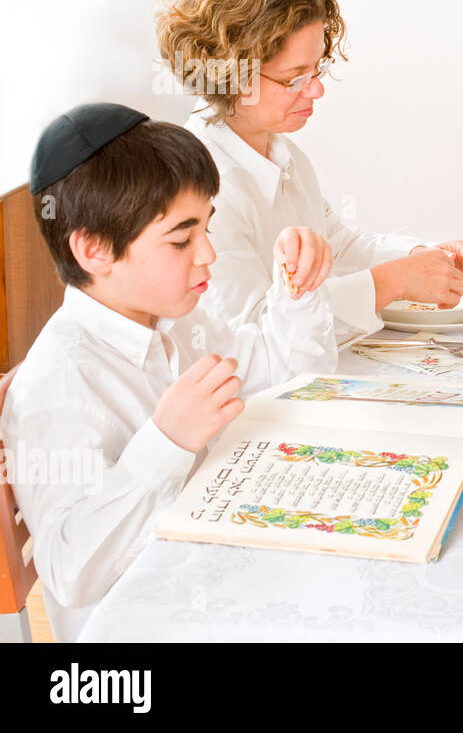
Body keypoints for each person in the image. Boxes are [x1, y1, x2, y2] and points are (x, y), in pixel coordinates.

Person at [0, 104, 337, 641]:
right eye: (182, 240)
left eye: (208, 226)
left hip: (219, 581)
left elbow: (293, 373)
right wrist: (166, 440)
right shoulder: (59, 386)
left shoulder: (174, 321)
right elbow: (70, 572)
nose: (208, 253)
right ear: (93, 250)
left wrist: (295, 288)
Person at [156, 0, 463, 345]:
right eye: (293, 79)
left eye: (315, 70)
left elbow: (338, 244)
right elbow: (256, 333)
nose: (316, 90)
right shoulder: (200, 187)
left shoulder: (281, 153)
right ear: (229, 75)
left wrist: (422, 257)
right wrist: (394, 281)